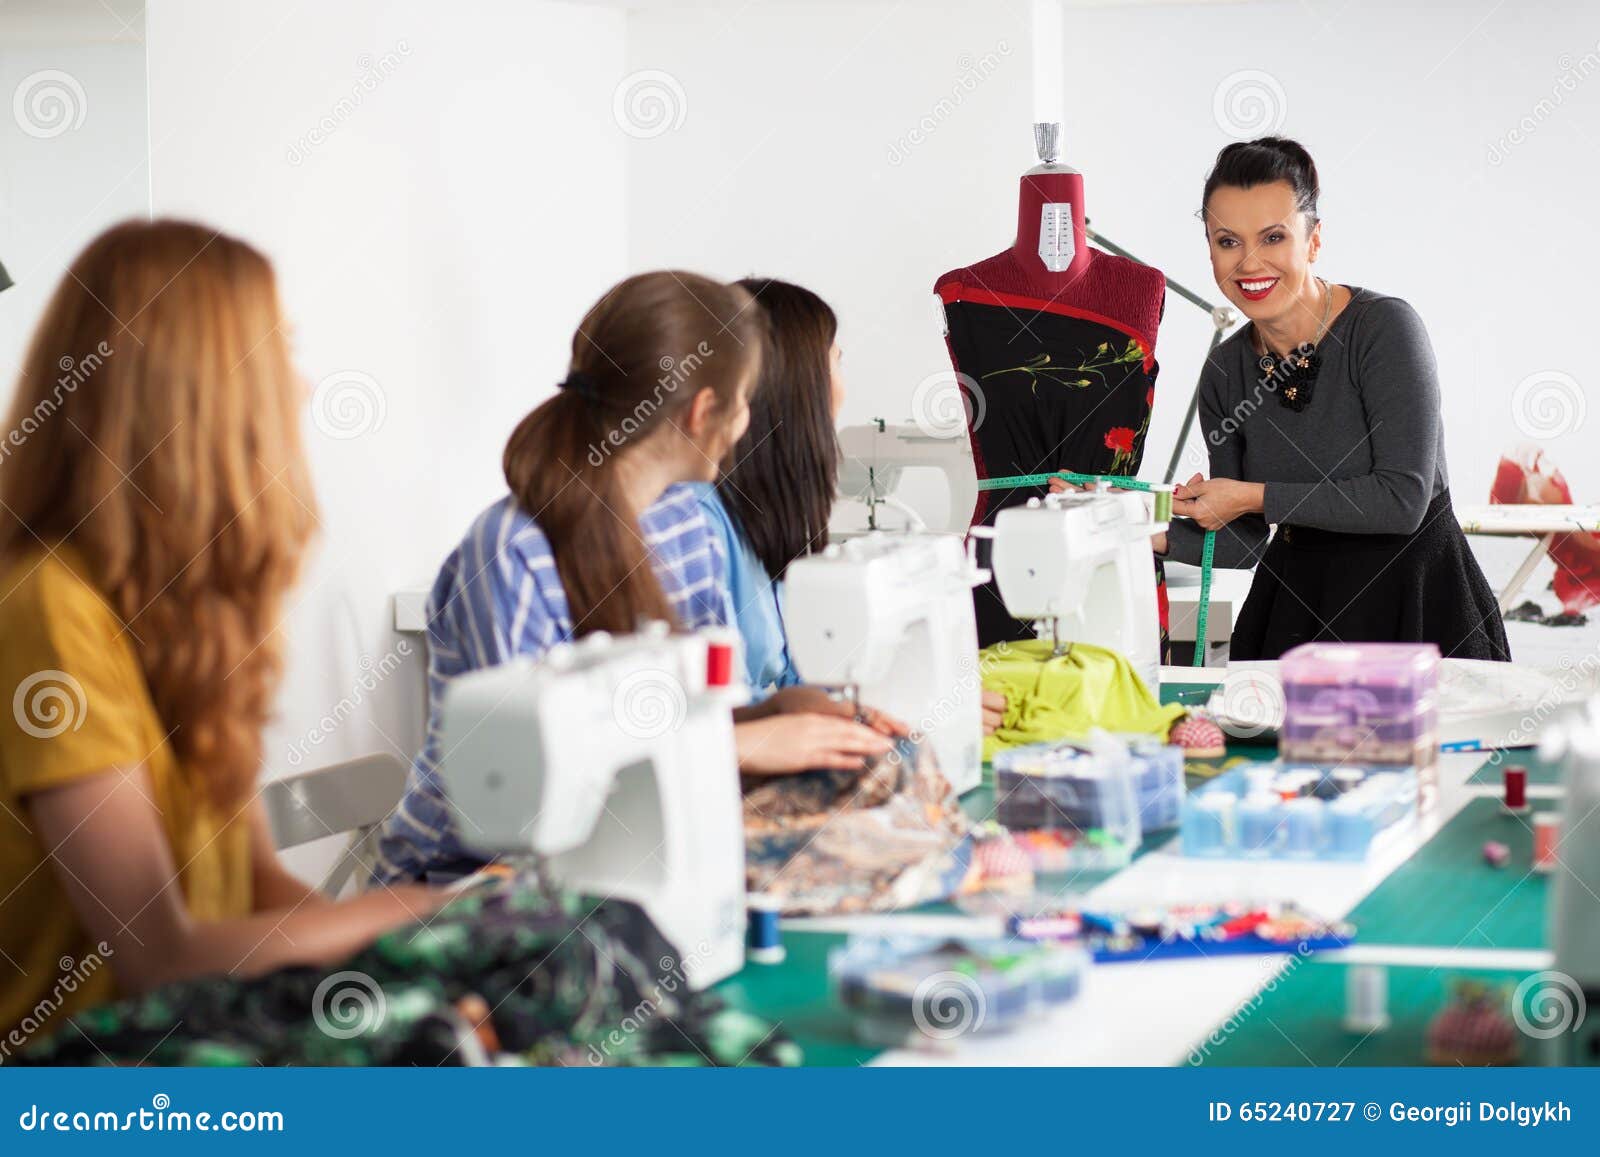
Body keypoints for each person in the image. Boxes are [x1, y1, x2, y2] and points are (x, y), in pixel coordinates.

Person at [0, 220, 446, 1041]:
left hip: (188, 1042)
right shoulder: (47, 609)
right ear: (200, 389)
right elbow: (158, 956)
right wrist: (425, 911)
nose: (303, 385)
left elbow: (255, 886)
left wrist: (379, 972)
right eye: (280, 349)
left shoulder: (184, 613)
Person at [373, 272, 898, 884]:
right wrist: (741, 747)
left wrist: (783, 709)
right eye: (746, 397)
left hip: (618, 854)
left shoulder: (686, 525)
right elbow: (523, 784)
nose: (751, 417)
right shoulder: (512, 552)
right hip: (467, 884)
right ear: (706, 412)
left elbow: (692, 719)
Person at [1059, 137, 1508, 662]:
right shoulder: (1226, 372)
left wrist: (1248, 495)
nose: (1250, 263)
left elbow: (1402, 501)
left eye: (1273, 237)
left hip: (1414, 602)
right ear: (1209, 247)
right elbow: (1244, 542)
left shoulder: (1383, 328)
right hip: (1298, 608)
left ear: (1313, 241)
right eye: (1227, 241)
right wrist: (1133, 521)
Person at [694, 277, 1007, 733]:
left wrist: (913, 701)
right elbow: (719, 720)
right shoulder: (700, 526)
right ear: (799, 386)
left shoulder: (770, 517)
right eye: (836, 365)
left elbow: (798, 680)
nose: (843, 390)